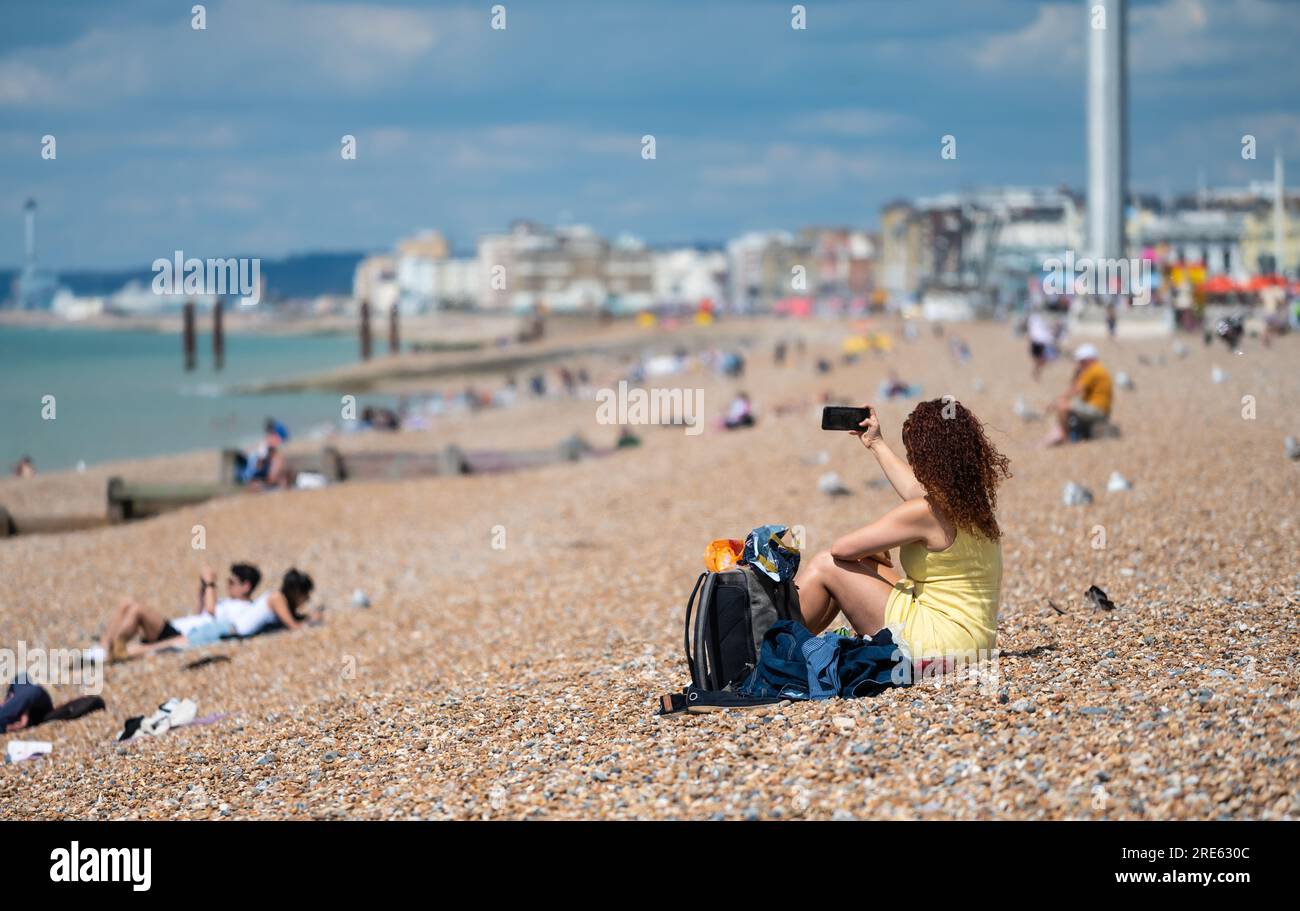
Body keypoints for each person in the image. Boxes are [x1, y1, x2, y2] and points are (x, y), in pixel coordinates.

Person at [794, 399, 1010, 661]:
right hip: (975, 642)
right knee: (861, 562)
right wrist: (875, 442)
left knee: (826, 564)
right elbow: (913, 490)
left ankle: (770, 643)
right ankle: (787, 643)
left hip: (938, 643)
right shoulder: (970, 503)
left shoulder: (925, 512)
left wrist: (876, 548)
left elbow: (841, 550)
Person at [96, 563, 264, 660]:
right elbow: (200, 612)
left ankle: (113, 649)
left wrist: (211, 584)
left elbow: (211, 615)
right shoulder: (226, 601)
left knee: (138, 610)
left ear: (246, 586)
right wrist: (203, 588)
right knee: (127, 602)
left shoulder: (245, 609)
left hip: (180, 635)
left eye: (231, 582)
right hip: (177, 627)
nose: (228, 585)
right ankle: (104, 646)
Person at [1041, 344, 1113, 446]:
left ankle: (1066, 439)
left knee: (1063, 405)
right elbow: (1075, 387)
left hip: (1097, 410)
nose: (1079, 364)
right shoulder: (1096, 370)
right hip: (1098, 408)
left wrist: (1055, 402)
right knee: (1066, 405)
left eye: (1081, 361)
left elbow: (1075, 390)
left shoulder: (1094, 370)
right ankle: (1061, 434)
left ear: (1090, 359)